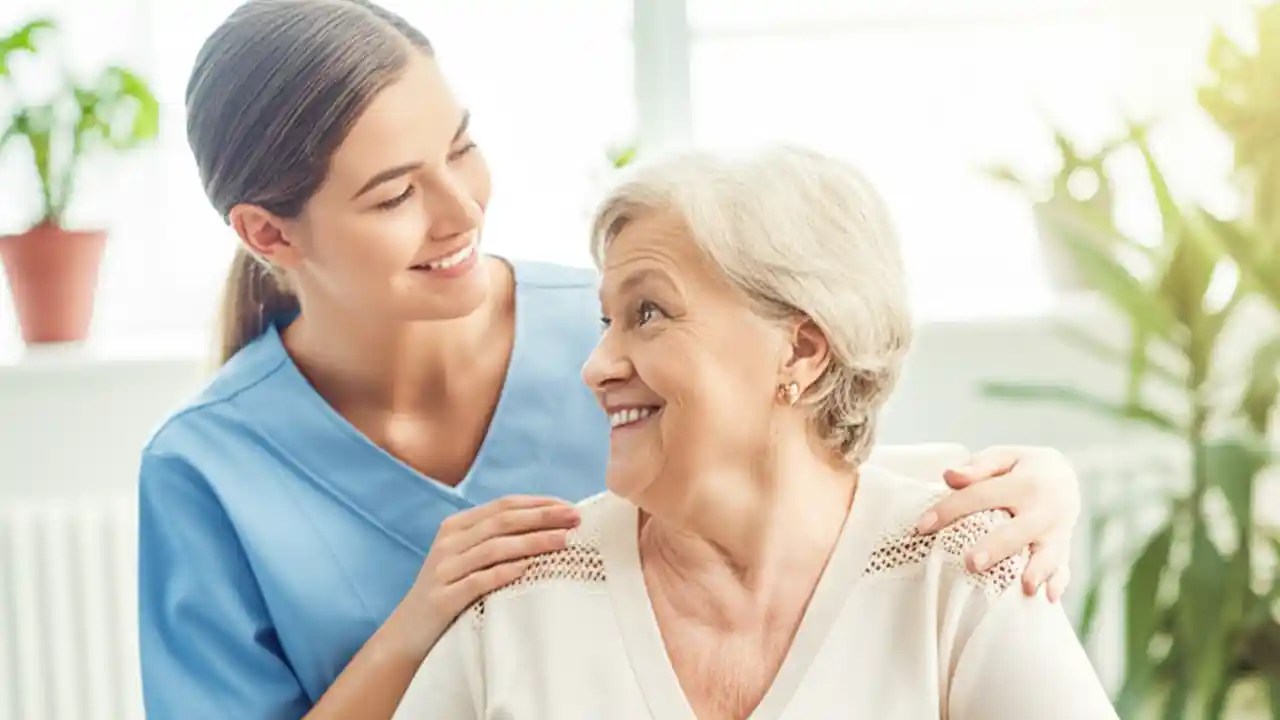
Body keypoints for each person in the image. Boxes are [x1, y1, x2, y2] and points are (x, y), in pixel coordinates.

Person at [138, 1, 1085, 718]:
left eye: (462, 147)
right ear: (270, 231)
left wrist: (1025, 484)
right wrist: (417, 623)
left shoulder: (599, 324)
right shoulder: (208, 469)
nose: (463, 212)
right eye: (393, 196)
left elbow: (802, 464)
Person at [396, 145, 1117, 719]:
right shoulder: (522, 601)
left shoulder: (962, 572)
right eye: (605, 321)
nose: (597, 366)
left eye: (648, 313)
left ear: (801, 351)